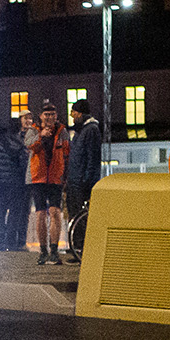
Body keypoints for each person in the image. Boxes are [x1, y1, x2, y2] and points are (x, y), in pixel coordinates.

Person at [24, 104, 70, 265]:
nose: (49, 117)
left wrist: (66, 176)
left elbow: (67, 153)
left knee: (55, 212)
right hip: (38, 178)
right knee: (40, 214)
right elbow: (29, 145)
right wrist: (41, 136)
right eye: (47, 114)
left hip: (55, 178)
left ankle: (54, 250)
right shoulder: (34, 130)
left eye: (52, 114)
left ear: (56, 116)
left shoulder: (62, 132)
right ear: (41, 116)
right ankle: (43, 251)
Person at [63, 104, 104, 258]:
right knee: (75, 215)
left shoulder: (90, 130)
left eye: (73, 112)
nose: (72, 116)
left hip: (81, 182)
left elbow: (92, 159)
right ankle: (77, 248)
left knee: (81, 216)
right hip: (75, 181)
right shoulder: (81, 130)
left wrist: (87, 182)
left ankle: (82, 250)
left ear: (80, 113)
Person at [0, 123, 29, 252]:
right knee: (14, 214)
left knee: (0, 213)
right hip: (16, 184)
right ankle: (11, 242)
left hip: (1, 185)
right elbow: (23, 165)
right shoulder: (20, 145)